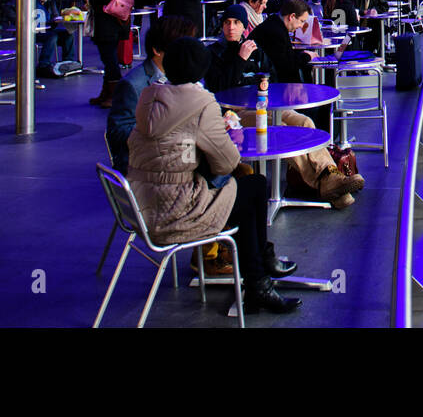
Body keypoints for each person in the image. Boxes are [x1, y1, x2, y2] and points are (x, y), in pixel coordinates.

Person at [126, 37, 300, 315]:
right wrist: (222, 133)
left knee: (247, 190)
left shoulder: (149, 97)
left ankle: (260, 274)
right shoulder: (201, 101)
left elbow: (173, 143)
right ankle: (259, 279)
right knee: (254, 186)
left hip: (141, 207)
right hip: (176, 212)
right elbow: (226, 163)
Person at [106, 15, 193, 171]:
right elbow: (118, 135)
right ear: (158, 50)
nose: (188, 53)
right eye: (181, 47)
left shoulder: (183, 75)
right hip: (146, 167)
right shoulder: (133, 85)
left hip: (181, 156)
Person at [90, 0, 132, 108]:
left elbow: (106, 0)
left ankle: (114, 94)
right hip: (118, 23)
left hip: (106, 24)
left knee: (109, 59)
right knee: (110, 57)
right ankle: (106, 92)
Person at [204, 7, 270, 93]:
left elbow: (270, 77)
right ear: (222, 26)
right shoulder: (213, 52)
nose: (231, 27)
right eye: (227, 22)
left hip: (253, 102)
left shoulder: (254, 49)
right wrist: (241, 59)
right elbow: (218, 87)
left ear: (244, 27)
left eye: (236, 22)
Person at [251, 0, 313, 85]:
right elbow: (286, 67)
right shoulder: (276, 32)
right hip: (273, 87)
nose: (301, 26)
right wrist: (307, 56)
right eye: (302, 21)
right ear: (292, 16)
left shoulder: (274, 24)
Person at [35, 0, 73, 75]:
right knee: (52, 36)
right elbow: (8, 8)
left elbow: (55, 16)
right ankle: (43, 65)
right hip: (34, 31)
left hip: (48, 29)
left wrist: (56, 20)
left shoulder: (50, 2)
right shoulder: (30, 2)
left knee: (68, 34)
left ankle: (68, 62)